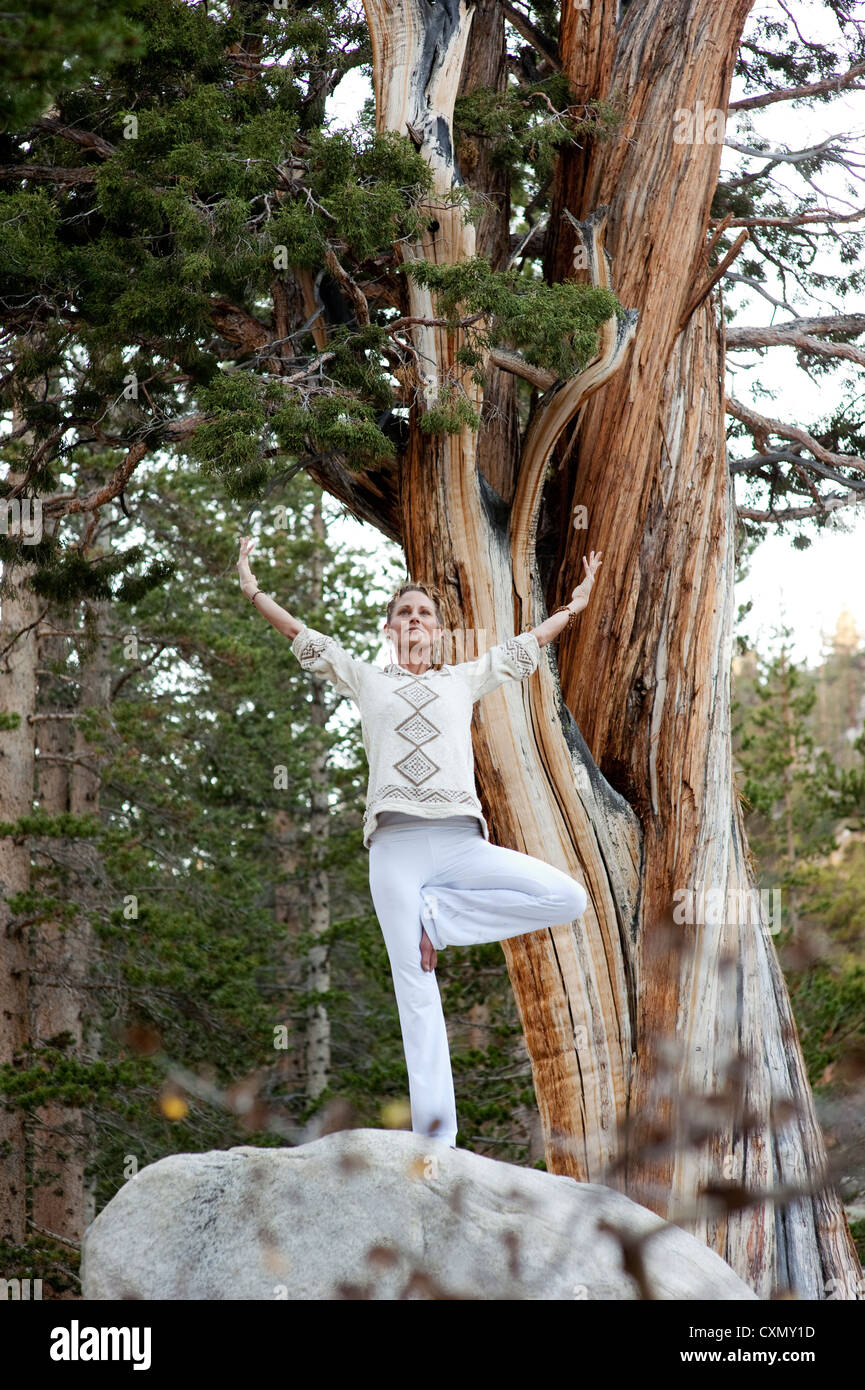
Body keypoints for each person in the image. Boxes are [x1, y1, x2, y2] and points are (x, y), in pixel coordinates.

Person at [237, 536, 602, 1149]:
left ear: (438, 632)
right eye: (404, 613)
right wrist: (252, 590)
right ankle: (439, 1142)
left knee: (568, 898)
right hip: (395, 852)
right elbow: (304, 637)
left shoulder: (463, 679)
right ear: (388, 629)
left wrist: (574, 607)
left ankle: (442, 918)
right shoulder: (365, 679)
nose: (414, 621)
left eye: (424, 614)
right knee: (416, 993)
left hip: (462, 845)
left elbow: (524, 648)